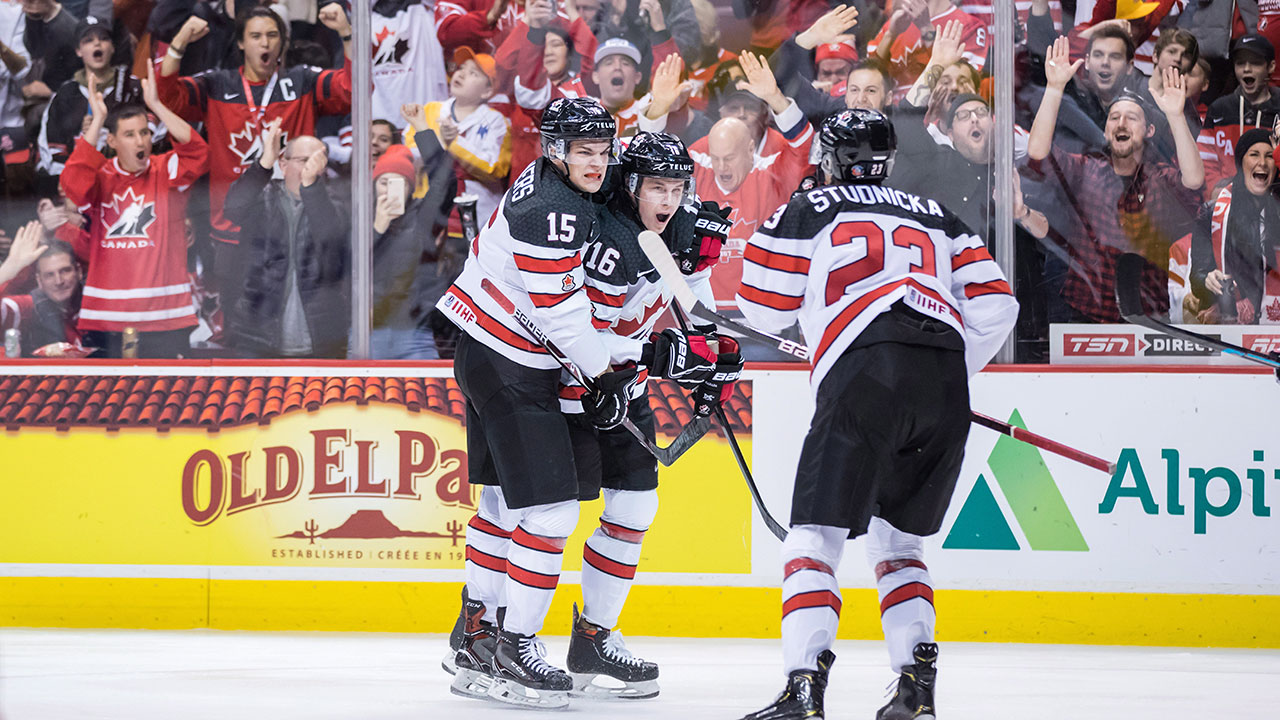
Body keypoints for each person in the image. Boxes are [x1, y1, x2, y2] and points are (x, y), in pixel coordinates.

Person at [737, 108, 1018, 720]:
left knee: (814, 537)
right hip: (944, 379)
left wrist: (880, 362)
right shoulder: (938, 216)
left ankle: (803, 687)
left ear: (832, 159)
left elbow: (760, 306)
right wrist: (939, 372)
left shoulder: (812, 206)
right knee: (900, 545)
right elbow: (998, 307)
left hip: (863, 372)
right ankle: (916, 687)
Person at [436, 97, 716, 710]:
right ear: (555, 150)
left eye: (603, 150)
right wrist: (614, 372)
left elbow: (681, 288)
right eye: (584, 151)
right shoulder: (549, 210)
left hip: (558, 359)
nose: (598, 162)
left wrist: (703, 344)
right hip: (511, 355)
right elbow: (564, 318)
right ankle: (499, 639)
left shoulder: (625, 186)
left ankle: (574, 638)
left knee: (616, 504)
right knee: (539, 511)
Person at [561, 131, 733, 699]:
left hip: (623, 383)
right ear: (631, 184)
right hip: (565, 383)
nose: (669, 198)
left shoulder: (685, 225)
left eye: (678, 187)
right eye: (657, 186)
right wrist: (667, 356)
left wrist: (713, 353)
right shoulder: (606, 235)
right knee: (538, 513)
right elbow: (595, 334)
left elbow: (692, 303)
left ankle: (593, 635)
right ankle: (486, 630)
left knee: (635, 504)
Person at [156, 5, 353, 339]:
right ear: (242, 44)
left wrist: (347, 34)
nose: (265, 43)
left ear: (283, 43)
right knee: (241, 328)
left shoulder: (301, 81)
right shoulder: (218, 84)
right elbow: (169, 97)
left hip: (294, 224)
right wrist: (179, 42)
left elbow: (351, 89)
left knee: (297, 320)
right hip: (232, 227)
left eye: (273, 35)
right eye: (256, 36)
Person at [1028, 36, 1204, 323]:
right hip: (1085, 312)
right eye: (1114, 118)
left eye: (1131, 118)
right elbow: (1037, 153)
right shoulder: (1085, 169)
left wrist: (1174, 115)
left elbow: (1194, 180)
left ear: (1148, 131)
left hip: (1150, 316)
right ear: (1106, 130)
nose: (1121, 123)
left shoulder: (1159, 177)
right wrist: (1055, 87)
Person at [222, 122, 350, 358]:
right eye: (304, 160)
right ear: (284, 164)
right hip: (257, 336)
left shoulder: (337, 201)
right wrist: (263, 164)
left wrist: (311, 187)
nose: (313, 167)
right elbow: (232, 209)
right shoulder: (262, 197)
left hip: (320, 338)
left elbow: (330, 237)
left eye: (319, 161)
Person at [38, 17, 143, 190]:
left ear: (112, 47)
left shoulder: (132, 87)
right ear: (78, 51)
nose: (97, 45)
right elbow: (52, 149)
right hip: (79, 187)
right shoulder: (65, 94)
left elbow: (154, 137)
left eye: (103, 39)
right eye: (88, 40)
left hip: (129, 183)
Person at [1190, 129, 1280, 325]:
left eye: (1269, 156)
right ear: (1241, 163)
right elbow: (1196, 278)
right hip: (1230, 326)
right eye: (1254, 155)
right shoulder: (1210, 213)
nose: (1262, 163)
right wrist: (1207, 279)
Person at [0, 220, 84, 356]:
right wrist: (9, 267)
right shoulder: (28, 306)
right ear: (39, 280)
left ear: (79, 272)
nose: (58, 281)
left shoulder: (96, 302)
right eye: (49, 275)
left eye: (65, 271)